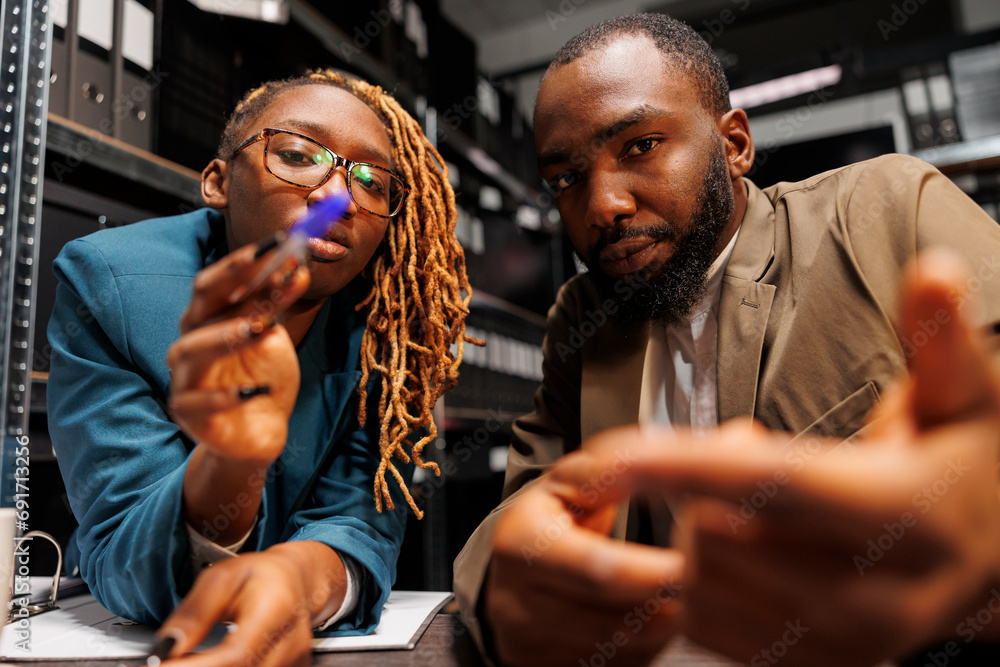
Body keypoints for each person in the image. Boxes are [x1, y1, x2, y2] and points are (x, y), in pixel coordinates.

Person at [452, 12, 1000, 666]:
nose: (603, 205)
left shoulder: (883, 208)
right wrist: (501, 585)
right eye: (566, 179)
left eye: (639, 146)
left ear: (734, 143)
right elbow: (520, 514)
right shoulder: (584, 314)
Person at [47, 69, 471, 666]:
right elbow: (122, 550)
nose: (336, 199)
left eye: (373, 181)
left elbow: (360, 525)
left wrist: (295, 585)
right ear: (217, 182)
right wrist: (234, 456)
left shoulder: (393, 328)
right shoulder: (110, 286)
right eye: (298, 155)